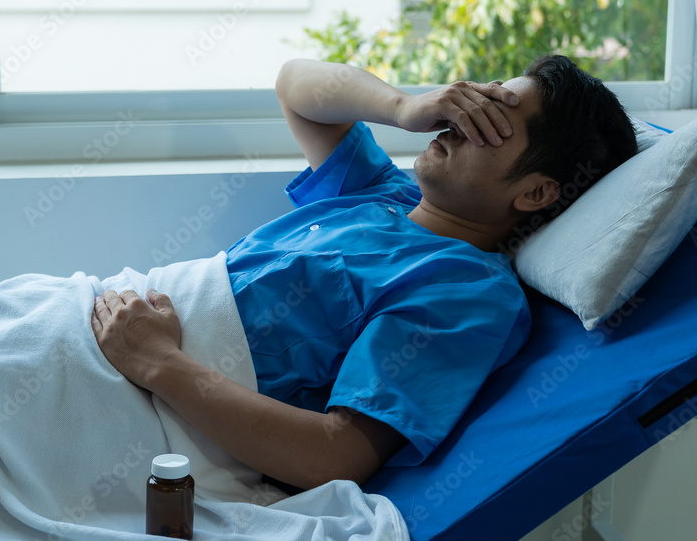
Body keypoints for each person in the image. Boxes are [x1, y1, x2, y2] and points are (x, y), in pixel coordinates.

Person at [90, 54, 637, 492]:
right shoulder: (383, 192)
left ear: (536, 191)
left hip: (141, 379)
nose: (458, 118)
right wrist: (403, 106)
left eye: (491, 119)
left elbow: (335, 455)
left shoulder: (469, 290)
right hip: (111, 317)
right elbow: (295, 86)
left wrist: (159, 362)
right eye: (476, 97)